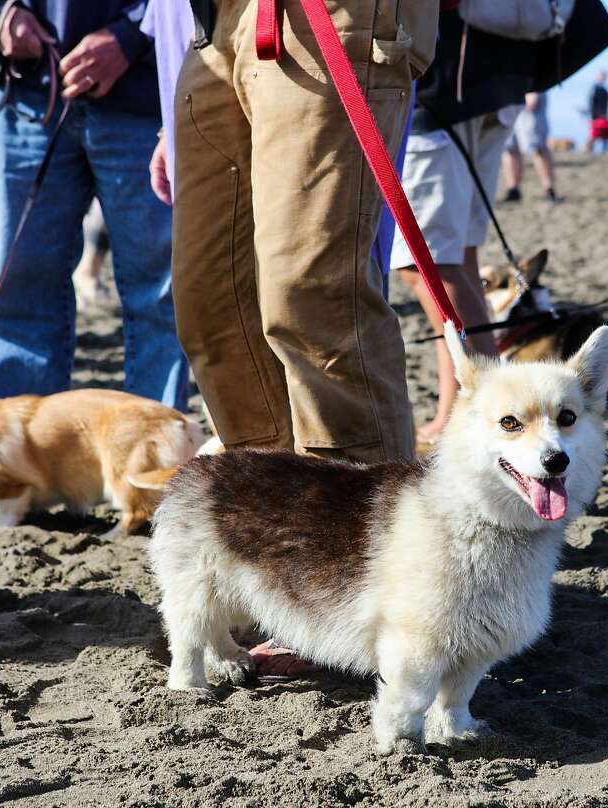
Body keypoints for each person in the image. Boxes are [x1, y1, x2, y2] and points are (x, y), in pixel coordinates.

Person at [164, 0, 437, 463]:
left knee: (309, 295)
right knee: (212, 302)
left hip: (330, 13)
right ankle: (279, 506)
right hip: (217, 23)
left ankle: (360, 515)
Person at [0, 0, 190, 410]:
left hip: (143, 96)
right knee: (22, 288)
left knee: (160, 293)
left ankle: (157, 458)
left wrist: (135, 33)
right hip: (23, 95)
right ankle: (28, 461)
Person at [392, 110, 509, 447]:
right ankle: (456, 412)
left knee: (428, 266)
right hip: (478, 100)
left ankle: (489, 408)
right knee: (458, 259)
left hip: (433, 112)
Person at [501, 92, 558, 202]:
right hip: (510, 107)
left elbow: (533, 101)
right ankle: (513, 189)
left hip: (528, 105)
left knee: (538, 148)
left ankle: (549, 188)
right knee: (510, 149)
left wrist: (532, 95)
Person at [586, 69, 608, 152]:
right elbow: (591, 102)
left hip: (603, 114)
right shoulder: (595, 89)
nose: (602, 78)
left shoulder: (605, 90)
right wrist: (594, 113)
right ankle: (589, 149)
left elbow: (607, 103)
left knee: (605, 132)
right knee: (594, 133)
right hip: (595, 114)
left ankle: (605, 149)